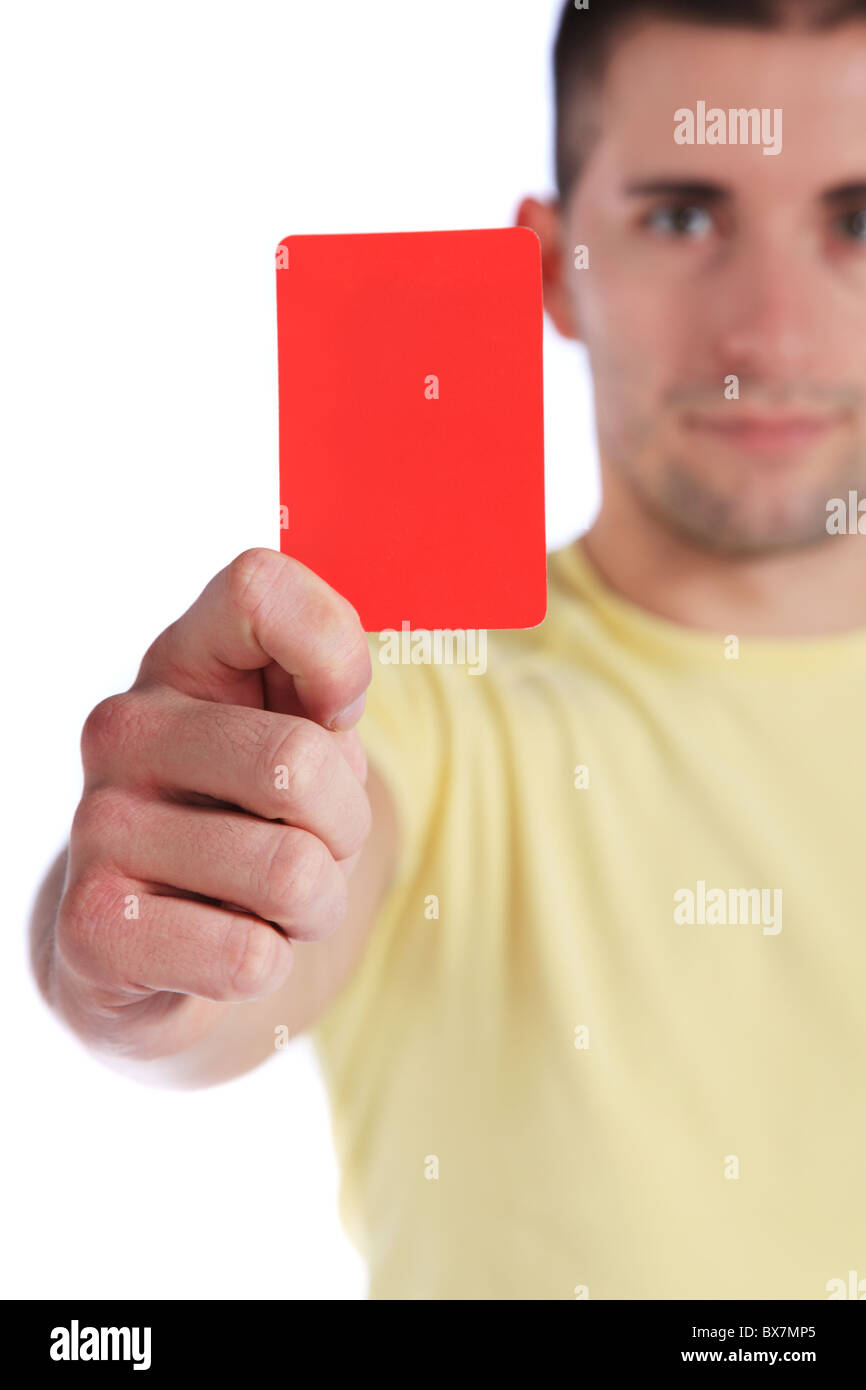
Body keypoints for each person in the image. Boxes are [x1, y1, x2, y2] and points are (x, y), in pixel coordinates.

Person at [30, 0, 866, 1299]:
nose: (768, 334)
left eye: (855, 221)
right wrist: (142, 952)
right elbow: (271, 913)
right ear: (551, 266)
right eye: (683, 216)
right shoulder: (396, 703)